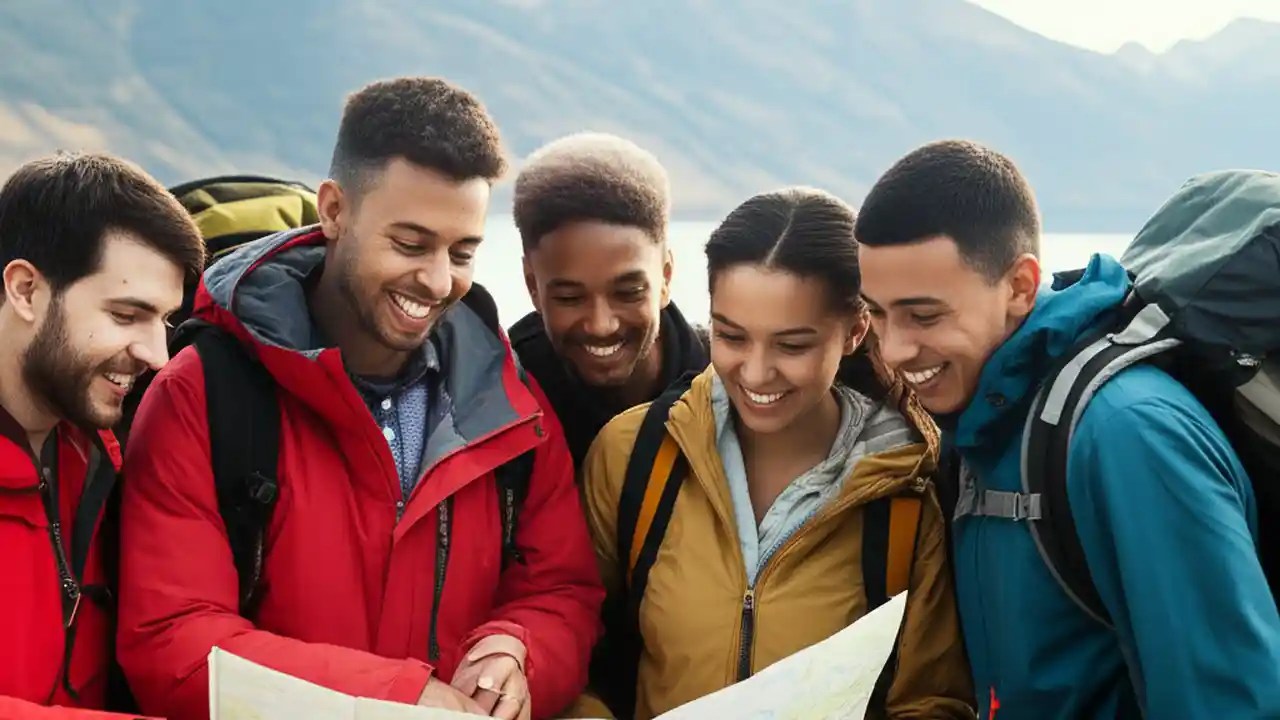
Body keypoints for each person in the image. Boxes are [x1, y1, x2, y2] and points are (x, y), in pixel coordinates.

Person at [116, 77, 604, 720]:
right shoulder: (201, 394)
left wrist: (519, 650)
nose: (436, 280)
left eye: (462, 251)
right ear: (335, 211)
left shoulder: (512, 400)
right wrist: (394, 699)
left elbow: (562, 590)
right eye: (409, 244)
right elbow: (170, 643)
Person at [854, 139, 1280, 719]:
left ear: (1021, 287)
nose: (896, 349)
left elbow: (1227, 703)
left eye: (924, 315)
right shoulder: (986, 421)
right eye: (876, 313)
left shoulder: (1126, 433)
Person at [577, 188, 976, 720]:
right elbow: (572, 648)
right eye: (732, 336)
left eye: (792, 346)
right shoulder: (633, 456)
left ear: (857, 330)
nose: (757, 372)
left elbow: (931, 702)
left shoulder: (908, 488)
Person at [0, 152, 204, 718]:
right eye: (125, 314)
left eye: (163, 320)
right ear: (25, 290)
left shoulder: (98, 464)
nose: (158, 356)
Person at [508, 132, 708, 471]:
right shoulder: (498, 402)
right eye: (570, 298)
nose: (601, 325)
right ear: (532, 286)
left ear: (666, 276)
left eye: (628, 293)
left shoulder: (728, 387)